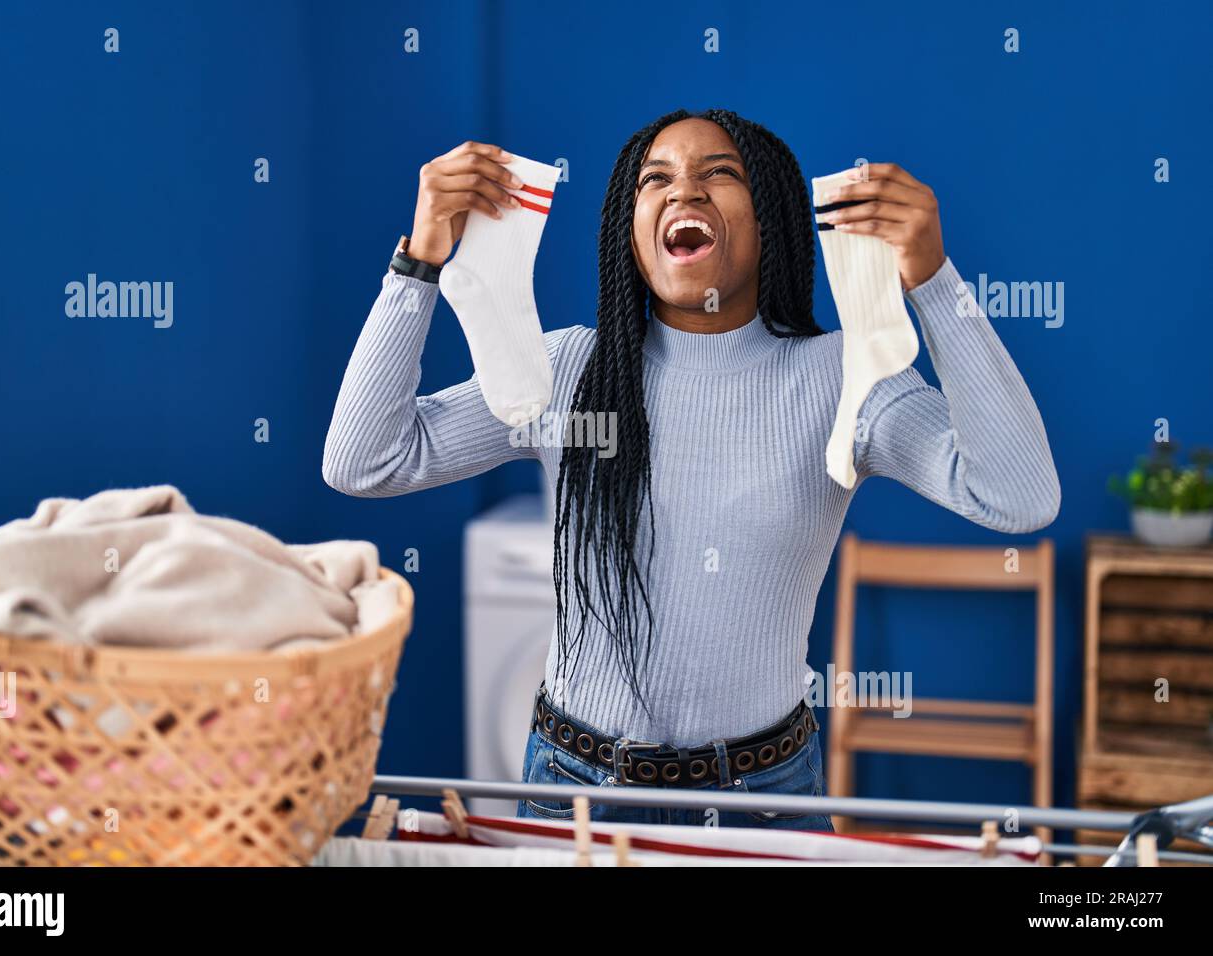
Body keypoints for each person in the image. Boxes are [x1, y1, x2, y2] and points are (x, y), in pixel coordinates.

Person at [323, 109, 1060, 830]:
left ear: (769, 218)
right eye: (657, 180)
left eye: (720, 174)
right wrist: (417, 262)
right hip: (576, 789)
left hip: (765, 798)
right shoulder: (566, 369)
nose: (685, 192)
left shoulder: (845, 378)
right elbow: (364, 459)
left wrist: (932, 281)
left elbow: (1016, 496)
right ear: (630, 228)